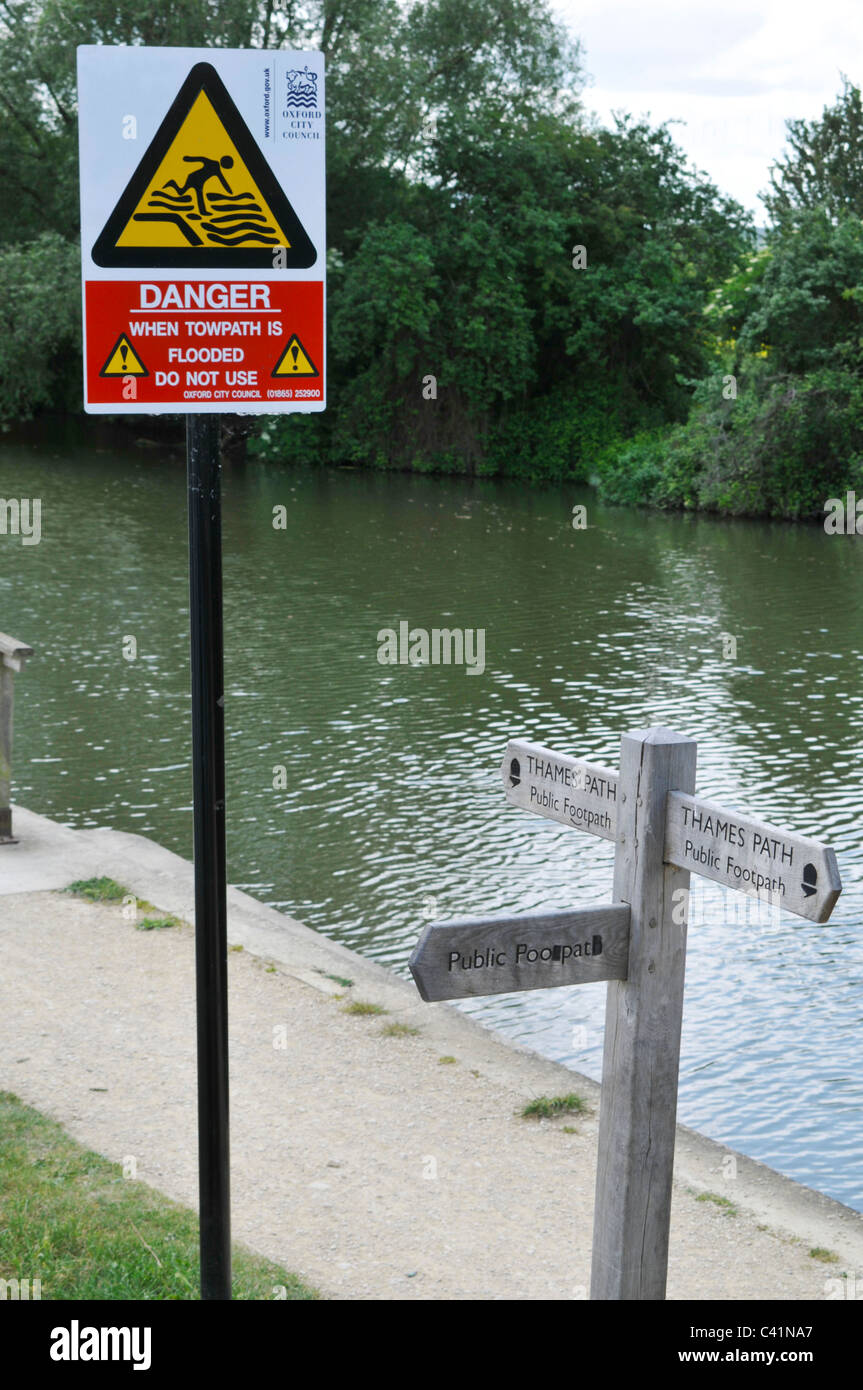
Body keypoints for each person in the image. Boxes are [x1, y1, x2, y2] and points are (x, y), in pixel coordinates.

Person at [163, 155, 234, 216]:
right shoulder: (213, 163)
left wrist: (229, 190)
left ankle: (172, 183)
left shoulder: (217, 169)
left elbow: (223, 181)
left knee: (185, 193)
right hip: (193, 177)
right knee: (183, 193)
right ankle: (203, 211)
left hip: (199, 182)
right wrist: (189, 159)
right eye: (228, 165)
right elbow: (202, 159)